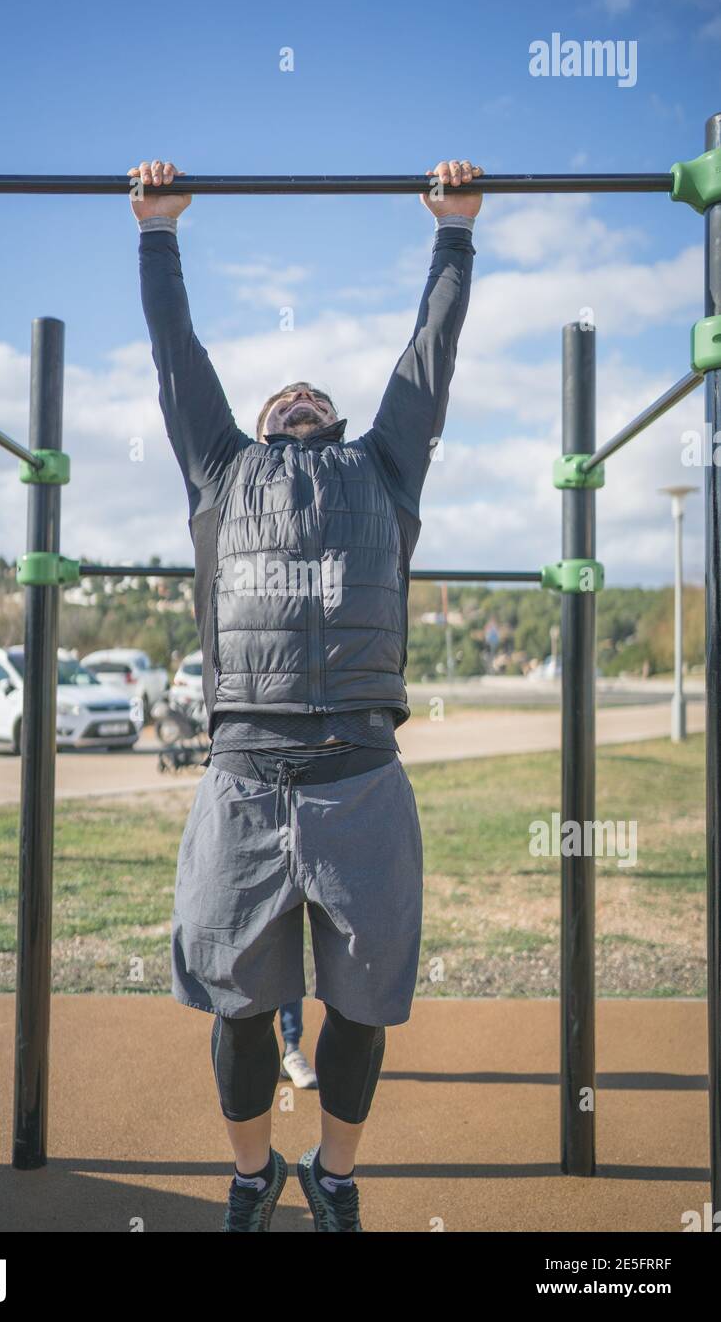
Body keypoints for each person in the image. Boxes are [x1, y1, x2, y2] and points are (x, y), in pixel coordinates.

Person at [130, 154, 482, 1231]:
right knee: (235, 1006)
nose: (293, 395)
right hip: (242, 774)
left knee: (363, 1003)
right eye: (280, 392)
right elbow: (176, 355)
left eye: (309, 395)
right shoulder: (219, 469)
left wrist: (453, 234)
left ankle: (332, 1172)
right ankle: (250, 1174)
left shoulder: (383, 470)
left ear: (328, 421)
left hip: (360, 776)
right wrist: (157, 232)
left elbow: (428, 361)